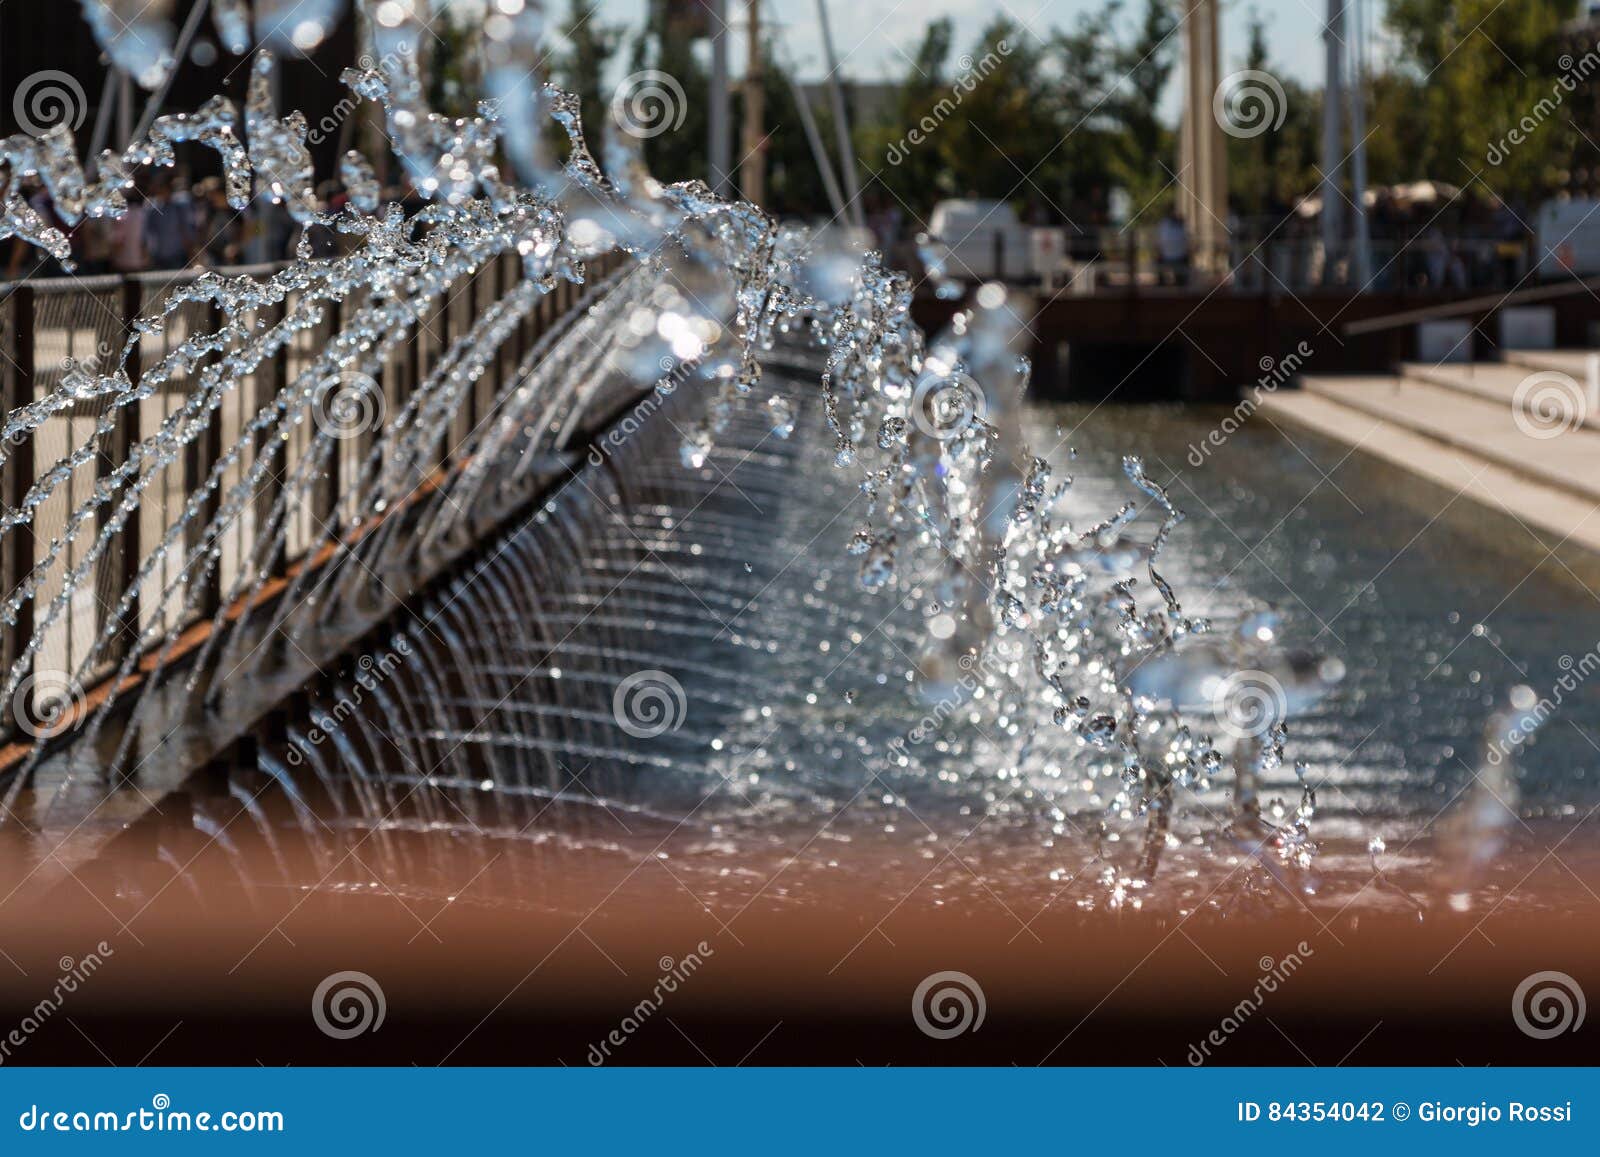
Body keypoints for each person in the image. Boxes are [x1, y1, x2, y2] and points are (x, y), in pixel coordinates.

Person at [144, 176, 197, 269]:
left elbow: (186, 229)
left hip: (178, 256)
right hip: (159, 256)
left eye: (164, 190)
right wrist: (148, 251)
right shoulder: (152, 208)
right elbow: (149, 232)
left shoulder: (180, 207)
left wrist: (191, 250)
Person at [1156, 209, 1189, 287]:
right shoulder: (1179, 227)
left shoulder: (1164, 225)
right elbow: (1186, 243)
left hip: (1171, 257)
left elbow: (1159, 243)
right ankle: (1180, 283)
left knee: (1160, 262)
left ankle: (1162, 284)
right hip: (1176, 258)